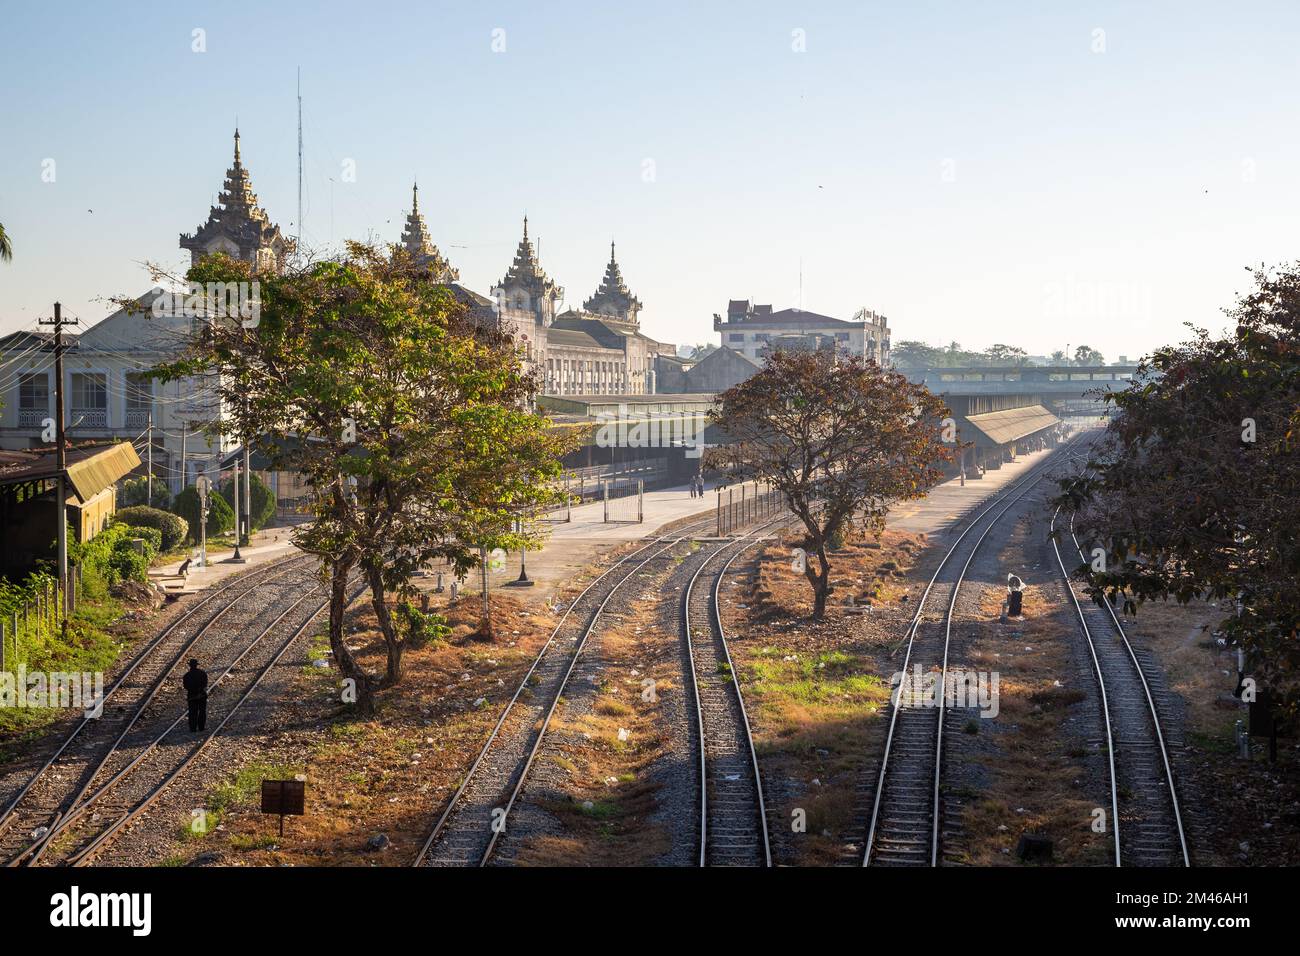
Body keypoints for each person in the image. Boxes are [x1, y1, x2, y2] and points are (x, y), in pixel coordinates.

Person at [182, 659, 208, 732]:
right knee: (202, 711)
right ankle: (201, 727)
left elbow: (185, 686)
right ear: (197, 665)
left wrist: (193, 690)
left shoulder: (187, 675)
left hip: (191, 696)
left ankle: (193, 728)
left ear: (189, 665)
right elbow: (205, 684)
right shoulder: (202, 673)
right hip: (202, 695)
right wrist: (199, 690)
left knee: (192, 712)